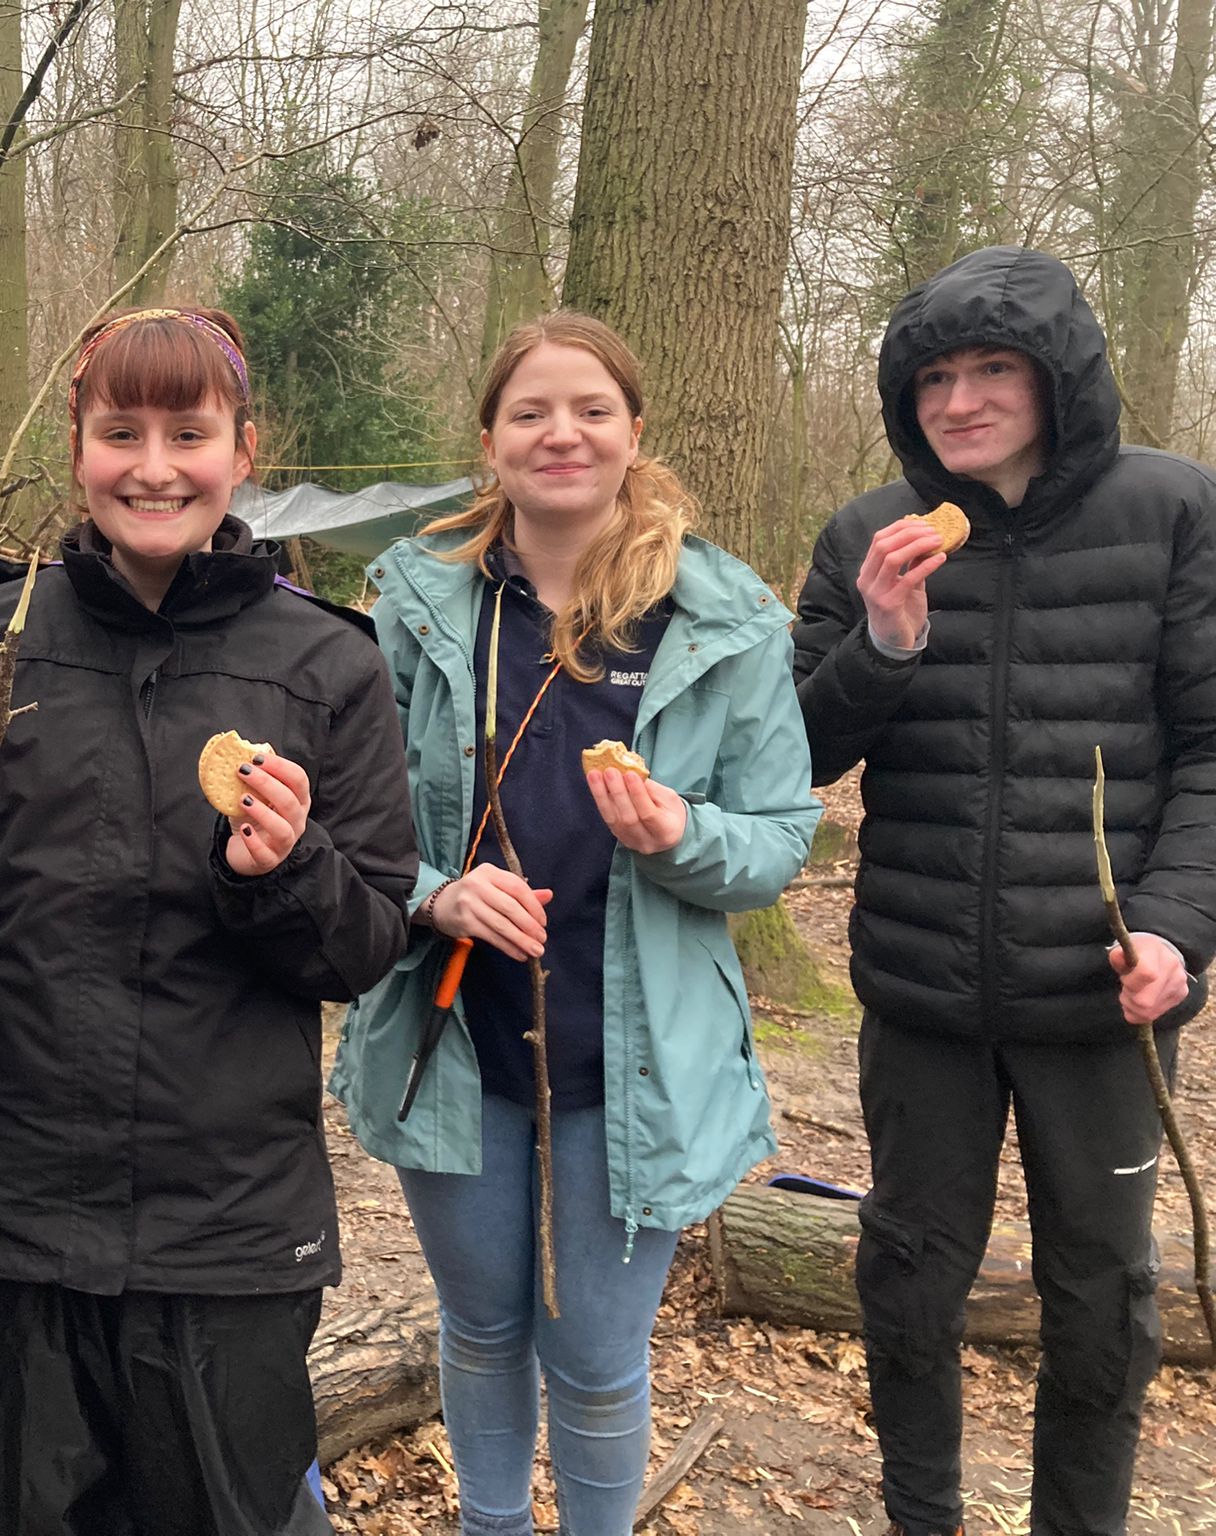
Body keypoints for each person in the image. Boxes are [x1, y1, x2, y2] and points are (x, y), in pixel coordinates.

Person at [0, 305, 418, 1535]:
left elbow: (366, 941)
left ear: (243, 449)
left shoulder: (329, 668)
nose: (153, 467)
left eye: (188, 433)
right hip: (7, 1205)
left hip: (227, 1231)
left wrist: (284, 869)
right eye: (120, 432)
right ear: (77, 447)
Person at [331, 312, 819, 1536]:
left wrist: (679, 833)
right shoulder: (419, 602)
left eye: (591, 410)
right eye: (530, 412)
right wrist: (433, 892)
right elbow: (353, 820)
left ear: (632, 433)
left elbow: (778, 837)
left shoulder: (725, 619)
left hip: (634, 1063)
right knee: (481, 1329)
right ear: (489, 441)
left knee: (595, 1361)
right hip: (455, 1043)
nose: (562, 433)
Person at [793, 246, 1216, 1536]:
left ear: (1058, 377)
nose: (957, 401)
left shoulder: (1172, 511)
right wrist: (882, 641)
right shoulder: (866, 533)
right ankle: (918, 1517)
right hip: (921, 992)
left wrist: (1173, 928)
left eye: (991, 370)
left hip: (1102, 1001)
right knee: (907, 1280)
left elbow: (1211, 749)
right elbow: (792, 753)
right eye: (931, 377)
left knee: (1101, 1298)